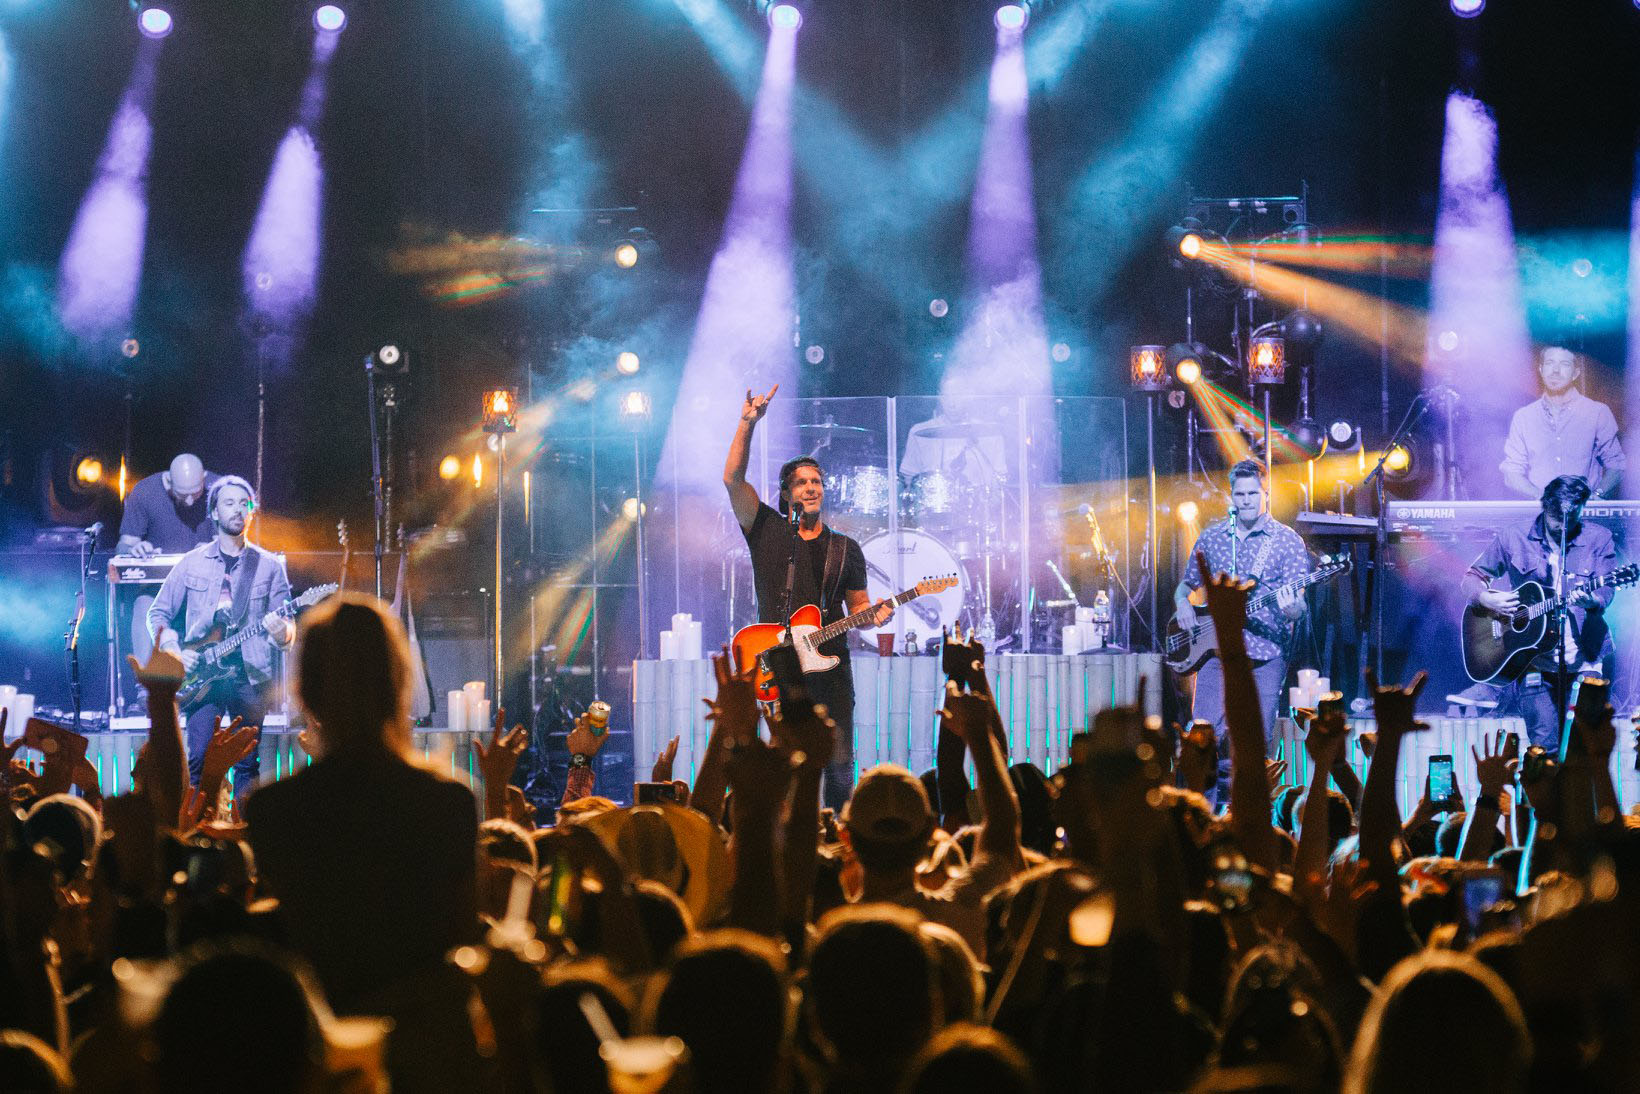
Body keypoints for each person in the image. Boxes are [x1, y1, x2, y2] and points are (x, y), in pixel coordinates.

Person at [724, 384, 893, 809]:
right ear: (786, 494)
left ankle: (836, 840)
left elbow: (857, 605)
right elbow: (731, 479)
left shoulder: (845, 548)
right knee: (782, 764)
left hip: (831, 669)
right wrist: (748, 423)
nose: (811, 487)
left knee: (837, 764)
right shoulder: (766, 529)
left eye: (816, 481)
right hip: (777, 662)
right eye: (801, 482)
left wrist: (874, 615)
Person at [147, 475, 294, 793]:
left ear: (252, 513)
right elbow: (157, 613)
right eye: (229, 503)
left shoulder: (269, 566)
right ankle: (196, 832)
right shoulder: (191, 563)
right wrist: (174, 649)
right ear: (214, 512)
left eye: (245, 504)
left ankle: (242, 833)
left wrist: (284, 634)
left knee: (247, 763)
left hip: (251, 678)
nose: (238, 510)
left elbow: (287, 625)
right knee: (198, 759)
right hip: (202, 676)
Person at [1173, 459, 1309, 801]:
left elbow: (1298, 604)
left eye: (1253, 493)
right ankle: (1200, 813)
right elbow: (1184, 586)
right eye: (1240, 494)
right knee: (1202, 740)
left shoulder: (1287, 542)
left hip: (1265, 656)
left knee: (1255, 744)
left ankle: (1246, 820)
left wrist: (1294, 608)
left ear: (1266, 493)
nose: (1246, 500)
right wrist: (1183, 604)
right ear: (1231, 496)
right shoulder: (1214, 537)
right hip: (1216, 652)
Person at [1461, 474, 1617, 750]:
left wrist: (1590, 600)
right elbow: (1472, 578)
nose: (1562, 527)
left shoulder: (1599, 538)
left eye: (1571, 518)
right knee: (1545, 750)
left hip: (1585, 660)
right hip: (1533, 662)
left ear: (1582, 508)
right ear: (1544, 506)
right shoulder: (1514, 536)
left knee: (1584, 753)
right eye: (1556, 519)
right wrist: (1487, 599)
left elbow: (1606, 592)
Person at [117, 453, 218, 665]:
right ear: (169, 482)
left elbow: (238, 540)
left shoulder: (219, 489)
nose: (190, 501)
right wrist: (135, 549)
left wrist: (215, 547)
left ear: (204, 479)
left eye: (196, 493)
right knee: (144, 605)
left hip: (210, 584)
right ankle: (147, 685)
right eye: (182, 495)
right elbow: (124, 544)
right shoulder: (145, 492)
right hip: (160, 586)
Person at [1500, 344, 1624, 499]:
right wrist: (1542, 498)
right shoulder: (1524, 417)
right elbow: (1511, 472)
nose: (1555, 371)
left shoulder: (1597, 412)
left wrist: (1597, 495)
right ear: (1541, 370)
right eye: (1550, 363)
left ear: (1575, 373)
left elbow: (1617, 465)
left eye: (1564, 364)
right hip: (1541, 515)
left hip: (1583, 515)